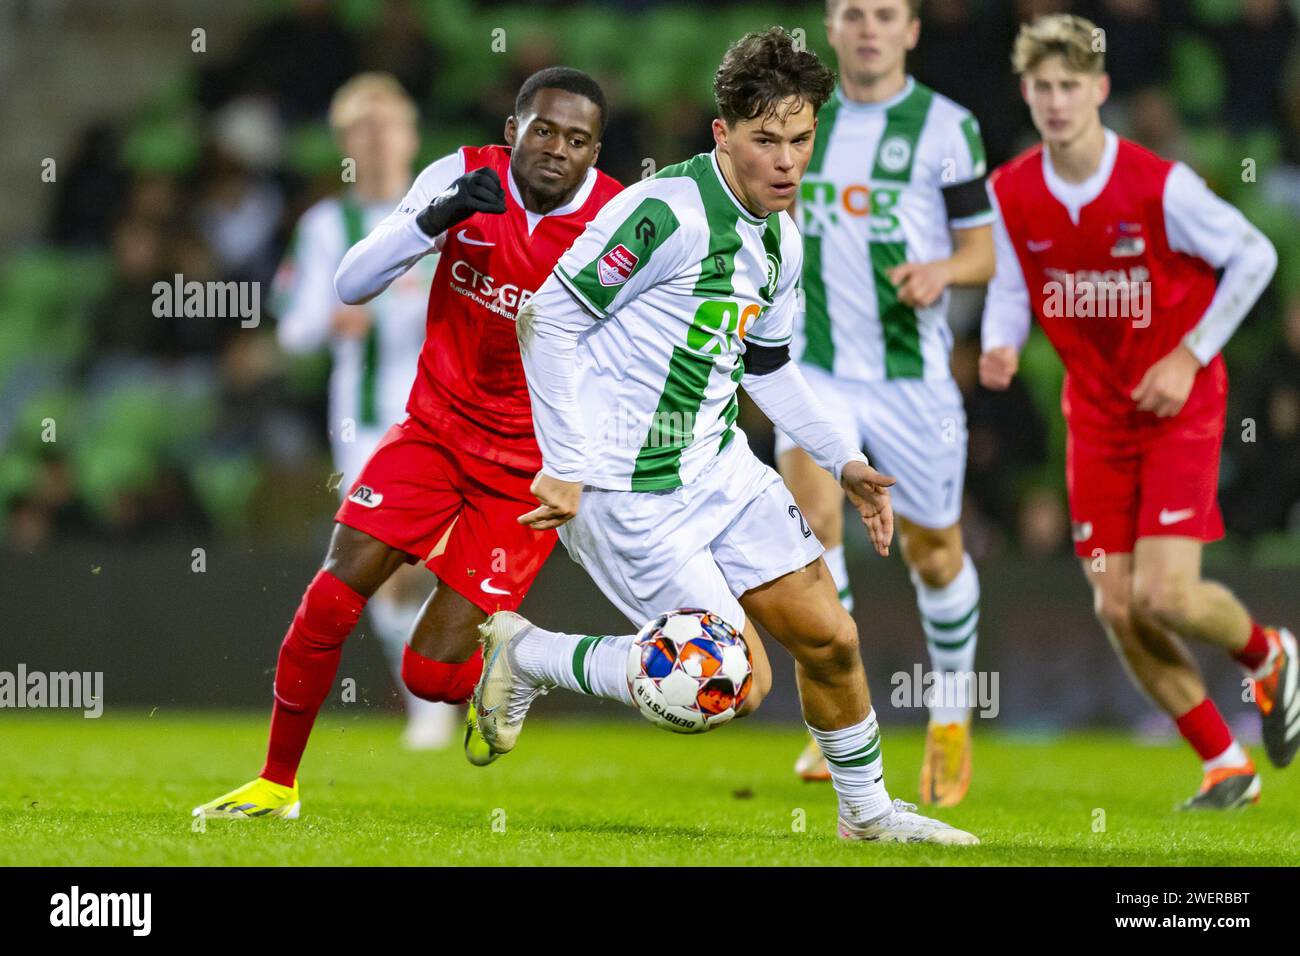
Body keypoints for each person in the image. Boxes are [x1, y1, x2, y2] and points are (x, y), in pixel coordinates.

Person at [474, 27, 978, 845]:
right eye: (765, 140)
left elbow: (770, 368)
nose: (786, 161)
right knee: (729, 684)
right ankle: (529, 655)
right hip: (627, 492)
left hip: (719, 469)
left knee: (833, 637)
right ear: (723, 135)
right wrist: (563, 465)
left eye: (801, 139)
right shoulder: (662, 214)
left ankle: (869, 818)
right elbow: (548, 317)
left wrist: (843, 459)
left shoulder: (781, 232)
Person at [194, 67, 623, 819]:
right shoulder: (460, 175)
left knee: (432, 673)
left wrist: (589, 460)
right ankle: (276, 783)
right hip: (431, 430)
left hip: (524, 467)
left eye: (578, 139)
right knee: (332, 593)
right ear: (513, 129)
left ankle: (510, 662)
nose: (557, 148)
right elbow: (351, 283)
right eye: (543, 130)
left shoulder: (620, 217)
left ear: (596, 151)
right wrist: (436, 217)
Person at [979, 13, 1293, 809]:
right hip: (1096, 415)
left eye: (1069, 87)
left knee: (1167, 596)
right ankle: (1225, 763)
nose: (1055, 102)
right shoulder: (1011, 191)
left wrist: (1189, 354)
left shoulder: (1157, 183)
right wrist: (1002, 342)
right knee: (1116, 604)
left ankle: (1270, 655)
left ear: (1100, 90)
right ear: (1027, 91)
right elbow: (1016, 286)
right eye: (1042, 87)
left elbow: (1256, 255)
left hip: (1179, 404)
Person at [779, 0, 994, 804]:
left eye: (885, 14)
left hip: (913, 376)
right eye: (852, 13)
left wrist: (944, 271)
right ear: (831, 28)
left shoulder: (948, 128)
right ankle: (844, 713)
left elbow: (983, 249)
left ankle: (949, 711)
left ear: (910, 31)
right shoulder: (800, 121)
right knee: (809, 521)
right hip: (817, 365)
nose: (868, 27)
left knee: (933, 553)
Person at [272, 73, 455, 750]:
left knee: (439, 561)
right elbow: (290, 329)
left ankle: (454, 682)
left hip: (455, 413)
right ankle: (427, 699)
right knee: (392, 563)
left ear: (409, 136)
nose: (375, 140)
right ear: (344, 143)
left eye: (386, 126)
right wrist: (332, 317)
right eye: (360, 129)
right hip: (370, 422)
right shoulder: (327, 227)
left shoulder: (451, 210)